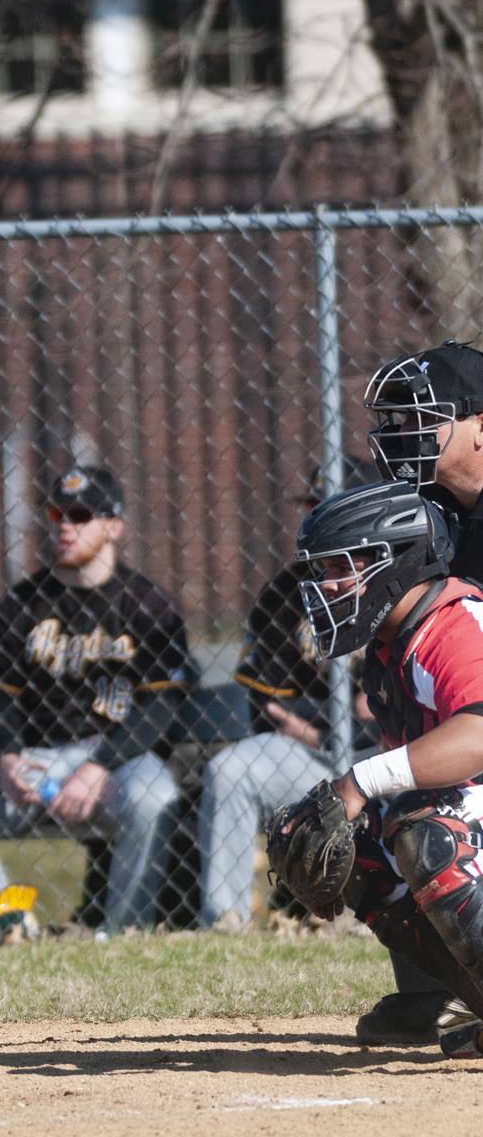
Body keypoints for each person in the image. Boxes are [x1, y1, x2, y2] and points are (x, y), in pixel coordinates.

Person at [0, 465, 192, 931]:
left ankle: (123, 932)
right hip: (35, 761)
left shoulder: (147, 605)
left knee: (156, 796)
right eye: (57, 513)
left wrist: (99, 765)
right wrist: (5, 759)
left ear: (114, 527)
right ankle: (8, 926)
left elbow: (161, 707)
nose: (65, 525)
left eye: (81, 514)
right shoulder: (21, 603)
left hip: (115, 763)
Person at [266, 480, 483, 1057]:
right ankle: (452, 998)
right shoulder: (392, 646)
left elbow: (480, 734)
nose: (324, 587)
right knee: (342, 837)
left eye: (340, 567)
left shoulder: (454, 624)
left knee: (427, 833)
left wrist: (361, 781)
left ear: (397, 564)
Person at [355, 341, 483, 1039]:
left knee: (427, 818)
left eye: (422, 420)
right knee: (372, 808)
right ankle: (445, 984)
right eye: (395, 421)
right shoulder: (429, 515)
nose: (403, 436)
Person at [197, 459, 380, 933]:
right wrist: (332, 719)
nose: (315, 517)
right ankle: (226, 920)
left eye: (327, 506)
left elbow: (391, 708)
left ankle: (383, 915)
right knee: (230, 769)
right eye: (311, 507)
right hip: (303, 754)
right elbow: (271, 704)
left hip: (383, 752)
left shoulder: (392, 582)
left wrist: (342, 716)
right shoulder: (283, 594)